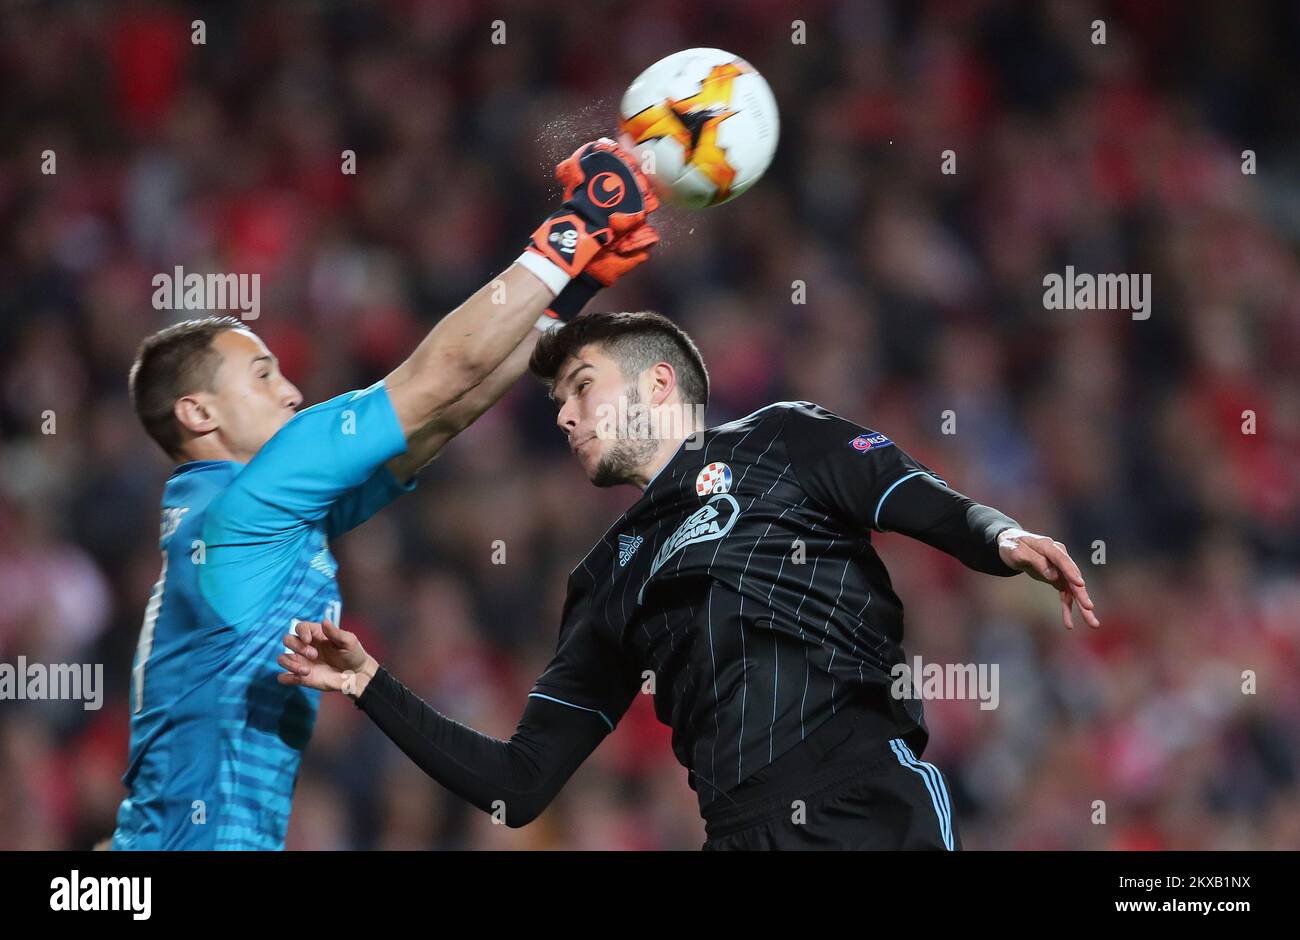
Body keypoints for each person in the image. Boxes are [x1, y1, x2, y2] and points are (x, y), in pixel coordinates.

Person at [278, 310, 1099, 850]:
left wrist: (1004, 535)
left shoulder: (783, 440)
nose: (564, 415)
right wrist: (370, 683)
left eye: (582, 387)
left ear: (659, 382)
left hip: (866, 809)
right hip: (737, 835)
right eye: (559, 399)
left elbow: (919, 501)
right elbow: (518, 787)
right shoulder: (606, 578)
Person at [112, 140, 659, 850]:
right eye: (262, 375)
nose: (293, 390)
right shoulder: (250, 505)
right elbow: (443, 369)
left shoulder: (255, 520)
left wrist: (567, 298)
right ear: (198, 413)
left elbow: (449, 409)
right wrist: (575, 226)